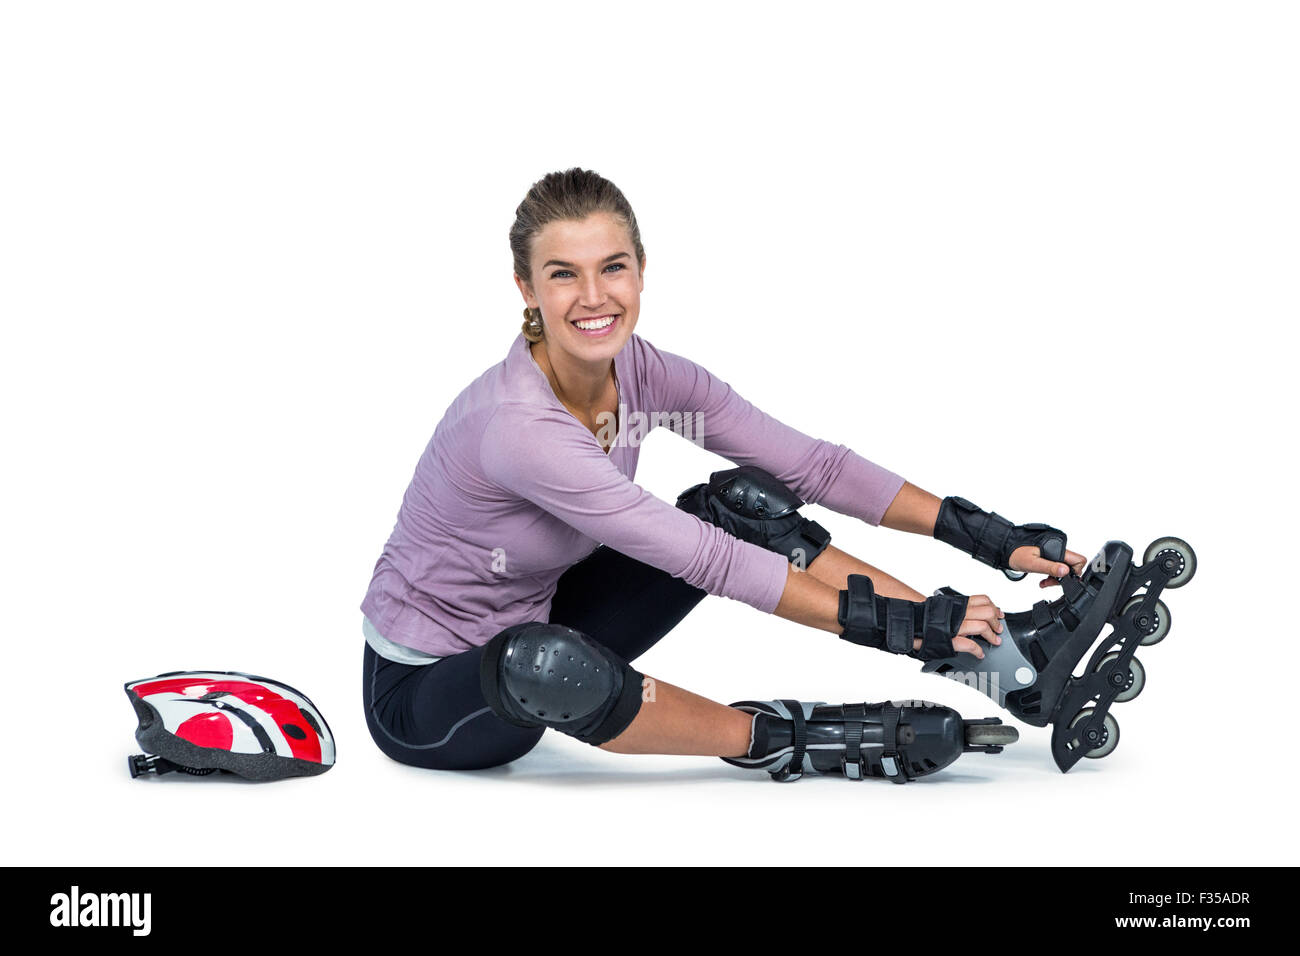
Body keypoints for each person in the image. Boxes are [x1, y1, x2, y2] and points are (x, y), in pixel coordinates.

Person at [359, 168, 1088, 781]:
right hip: (435, 688)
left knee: (739, 504)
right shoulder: (518, 426)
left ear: (641, 270)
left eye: (612, 267)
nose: (592, 297)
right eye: (563, 274)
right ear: (527, 289)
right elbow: (698, 558)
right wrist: (898, 626)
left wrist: (992, 538)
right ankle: (788, 740)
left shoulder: (646, 374)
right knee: (548, 666)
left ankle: (998, 663)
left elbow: (813, 466)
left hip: (541, 607)